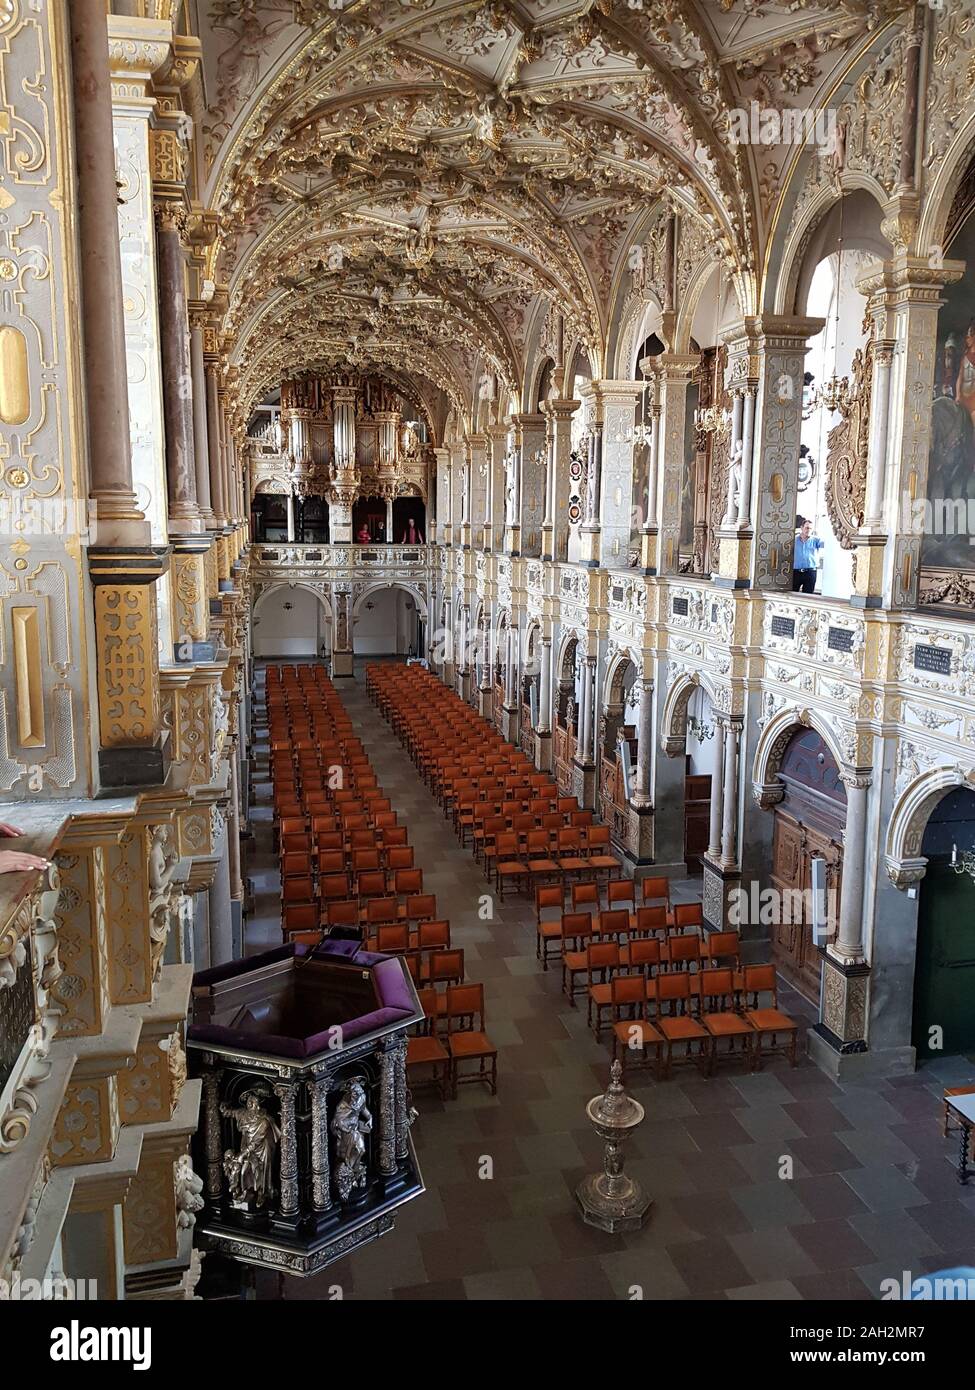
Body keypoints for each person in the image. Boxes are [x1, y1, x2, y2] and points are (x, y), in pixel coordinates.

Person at [792, 518, 824, 592]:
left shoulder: (816, 540)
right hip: (796, 572)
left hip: (810, 572)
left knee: (808, 595)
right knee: (793, 594)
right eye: (806, 528)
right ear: (802, 528)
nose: (808, 530)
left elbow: (827, 545)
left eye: (810, 528)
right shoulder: (794, 540)